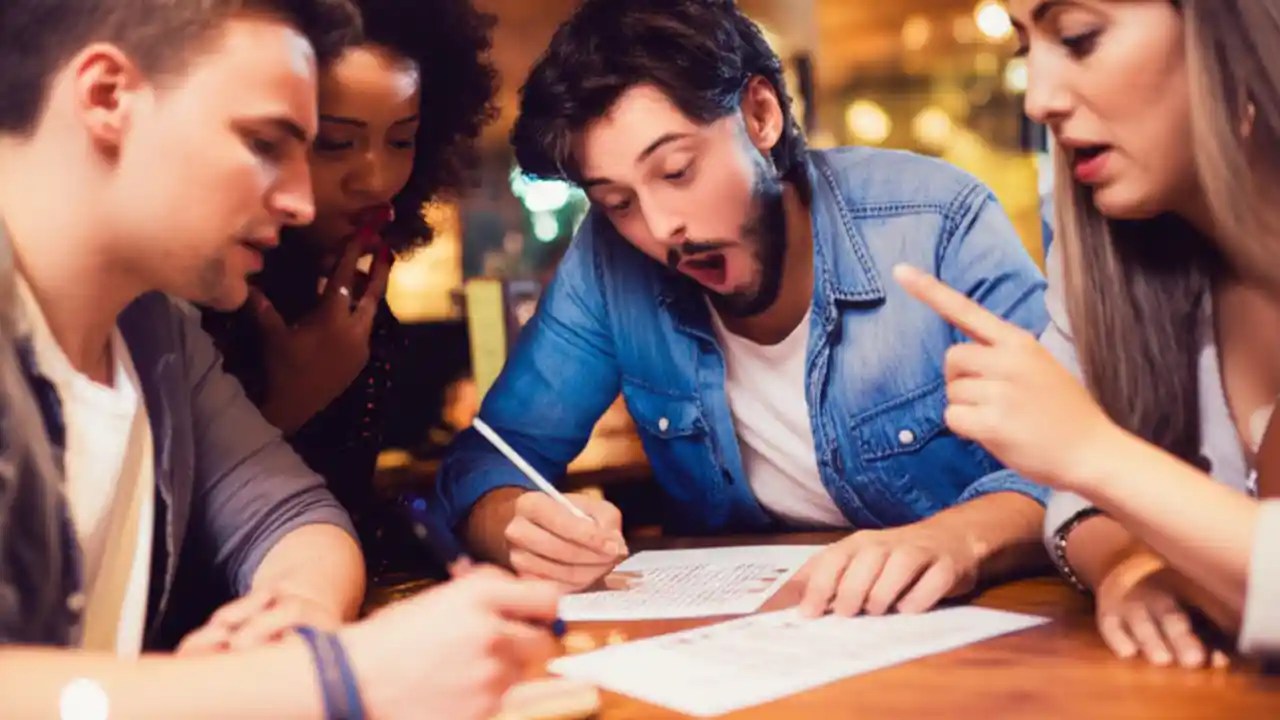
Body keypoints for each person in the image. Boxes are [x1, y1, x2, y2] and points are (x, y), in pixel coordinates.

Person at [0, 1, 559, 717]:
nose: (299, 201)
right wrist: (332, 679)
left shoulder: (153, 329)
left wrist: (293, 614)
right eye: (267, 143)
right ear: (109, 97)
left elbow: (293, 516)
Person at [434, 0, 1052, 619]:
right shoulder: (608, 264)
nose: (659, 227)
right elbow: (489, 459)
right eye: (618, 201)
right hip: (754, 642)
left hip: (966, 633)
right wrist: (519, 522)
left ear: (760, 115)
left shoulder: (936, 221)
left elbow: (1076, 457)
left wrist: (954, 539)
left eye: (677, 171)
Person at [895, 0, 1280, 667]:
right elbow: (1070, 502)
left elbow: (1083, 465)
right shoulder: (1104, 253)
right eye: (1025, 51)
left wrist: (1092, 451)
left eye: (1079, 38)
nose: (1038, 99)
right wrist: (1128, 566)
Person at [200, 0, 498, 579]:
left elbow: (349, 498)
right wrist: (294, 398)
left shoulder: (349, 281)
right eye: (335, 144)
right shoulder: (198, 285)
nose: (377, 178)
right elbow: (168, 529)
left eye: (402, 140)